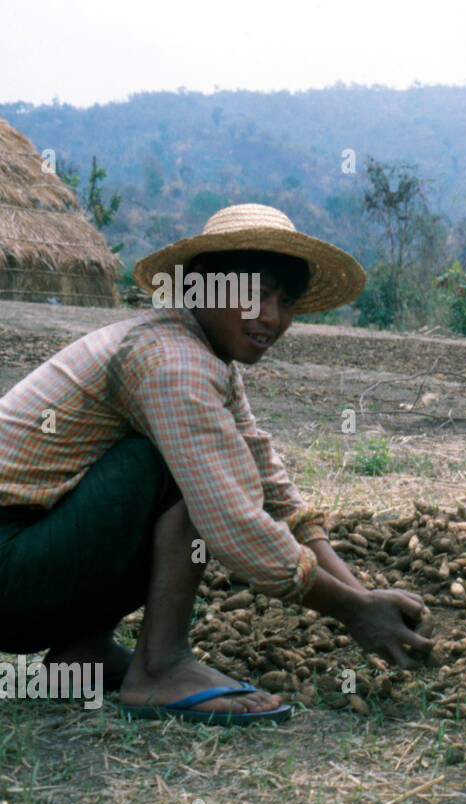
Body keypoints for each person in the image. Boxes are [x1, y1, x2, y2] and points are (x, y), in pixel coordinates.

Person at [0, 204, 432, 724]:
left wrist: (364, 597)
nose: (271, 317)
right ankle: (160, 668)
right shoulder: (173, 365)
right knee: (174, 470)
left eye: (284, 301)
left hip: (28, 555)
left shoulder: (205, 357)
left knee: (184, 460)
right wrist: (351, 611)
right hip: (11, 562)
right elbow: (233, 525)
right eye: (253, 294)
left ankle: (82, 656)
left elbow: (272, 486)